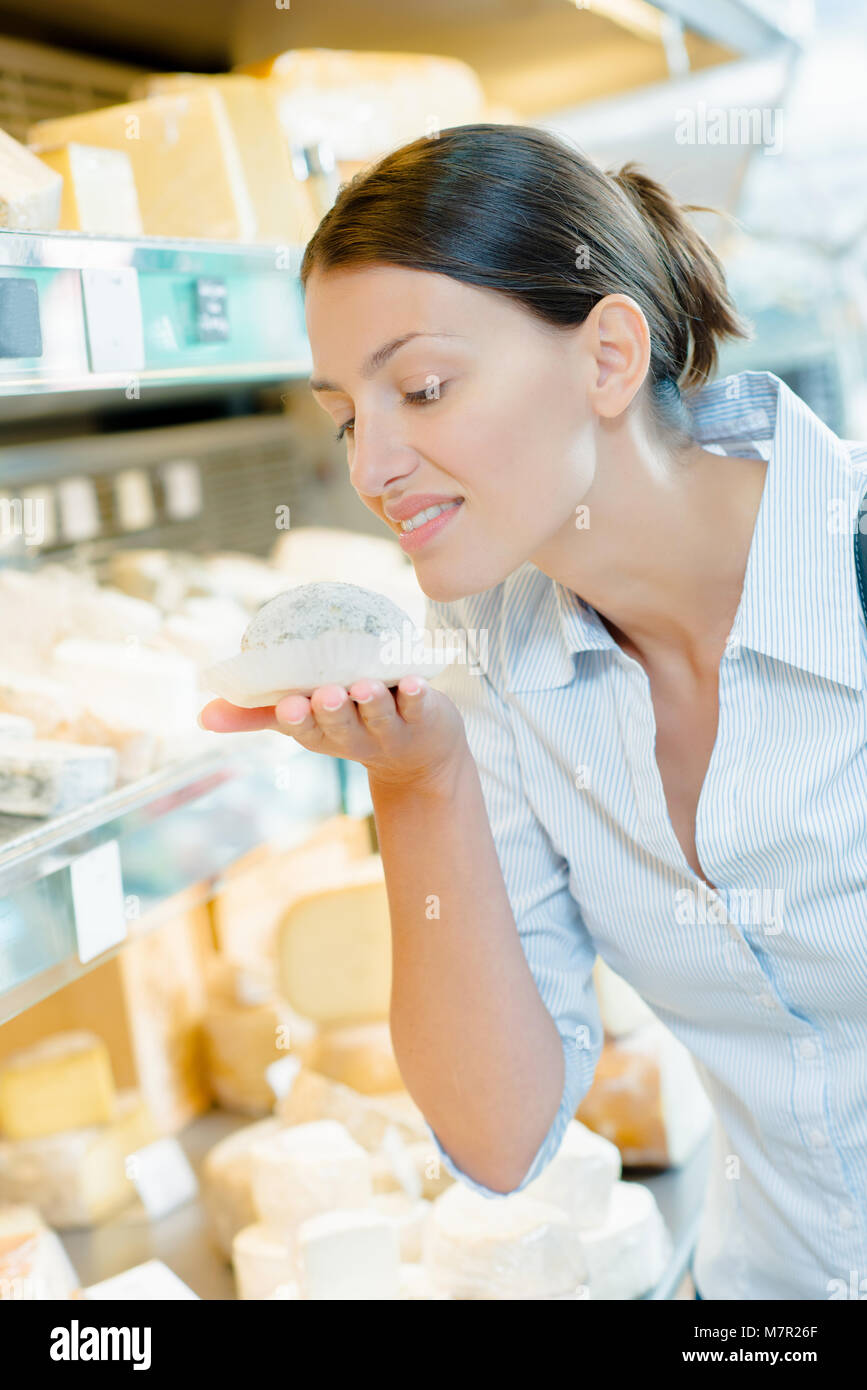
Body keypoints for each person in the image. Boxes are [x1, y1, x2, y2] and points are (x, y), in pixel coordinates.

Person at [200, 124, 867, 1301]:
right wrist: (418, 781)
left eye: (423, 387)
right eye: (350, 415)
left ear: (609, 357)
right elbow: (500, 1138)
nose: (374, 465)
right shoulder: (492, 656)